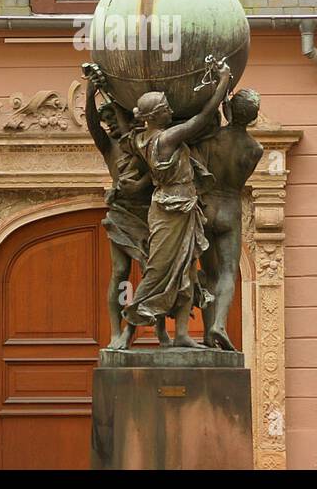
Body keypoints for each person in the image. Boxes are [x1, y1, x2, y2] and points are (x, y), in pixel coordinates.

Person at [123, 61, 232, 348]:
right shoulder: (167, 137)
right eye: (167, 109)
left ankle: (180, 333)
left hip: (179, 205)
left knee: (185, 269)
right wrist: (223, 80)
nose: (172, 111)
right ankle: (132, 323)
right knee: (160, 270)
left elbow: (152, 172)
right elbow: (203, 116)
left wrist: (138, 184)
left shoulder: (140, 138)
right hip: (173, 207)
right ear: (156, 116)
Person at [82, 67, 168, 350]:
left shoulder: (141, 144)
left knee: (150, 273)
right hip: (121, 214)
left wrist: (140, 184)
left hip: (148, 215)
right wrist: (91, 92)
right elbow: (92, 124)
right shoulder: (110, 147)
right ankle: (116, 331)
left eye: (115, 120)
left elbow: (154, 176)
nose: (111, 126)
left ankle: (155, 330)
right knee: (119, 272)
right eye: (108, 123)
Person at [193, 88, 264, 350]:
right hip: (230, 208)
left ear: (229, 110)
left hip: (206, 205)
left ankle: (210, 330)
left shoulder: (210, 141)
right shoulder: (255, 149)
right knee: (227, 273)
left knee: (209, 273)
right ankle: (218, 325)